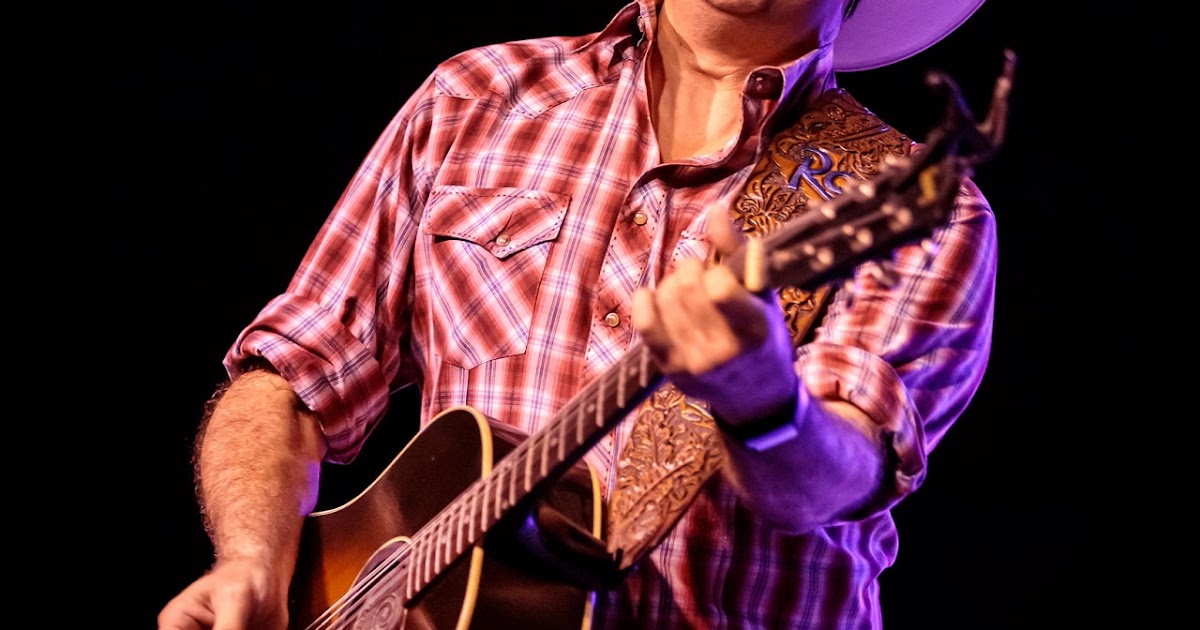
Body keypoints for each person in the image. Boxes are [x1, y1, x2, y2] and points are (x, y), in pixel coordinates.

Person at [158, 0, 1000, 628]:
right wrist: (253, 560)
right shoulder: (473, 100)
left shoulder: (920, 209)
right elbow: (290, 379)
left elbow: (839, 480)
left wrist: (764, 401)